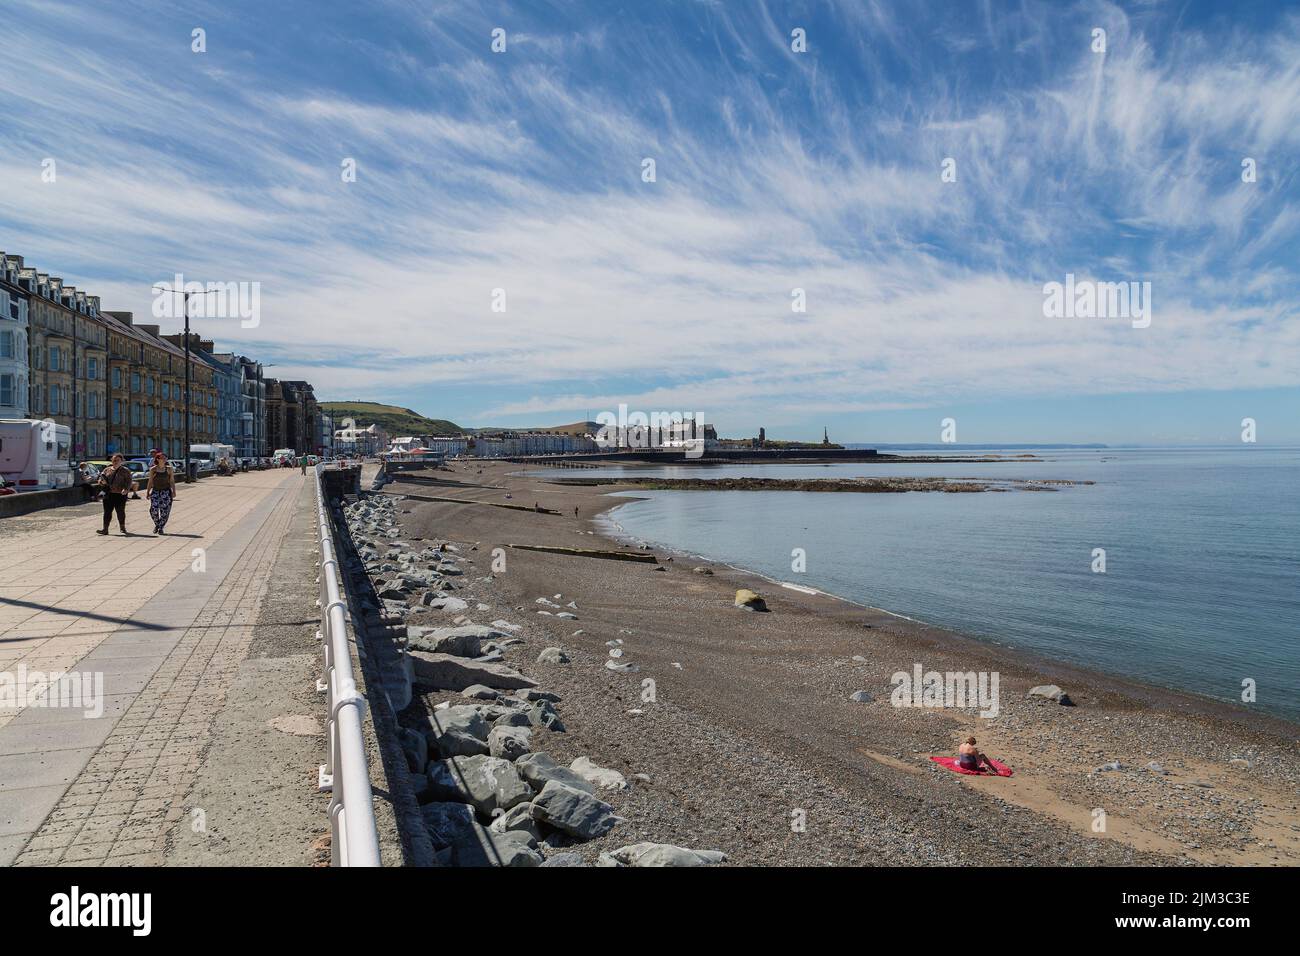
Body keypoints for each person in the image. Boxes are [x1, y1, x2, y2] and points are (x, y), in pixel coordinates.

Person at [96, 454, 134, 535]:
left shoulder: (125, 470)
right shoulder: (107, 469)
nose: (115, 462)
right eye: (114, 460)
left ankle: (122, 527)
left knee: (120, 511)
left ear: (121, 461)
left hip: (120, 494)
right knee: (107, 512)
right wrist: (101, 482)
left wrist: (126, 489)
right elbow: (100, 479)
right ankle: (105, 529)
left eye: (117, 460)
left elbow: (129, 481)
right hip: (108, 494)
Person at [145, 451, 178, 535]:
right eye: (162, 458)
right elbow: (150, 482)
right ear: (157, 459)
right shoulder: (153, 469)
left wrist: (174, 491)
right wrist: (148, 492)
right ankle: (157, 524)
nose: (164, 459)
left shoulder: (169, 469)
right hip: (155, 491)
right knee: (154, 510)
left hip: (166, 492)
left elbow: (172, 481)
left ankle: (161, 527)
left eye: (165, 458)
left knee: (165, 511)